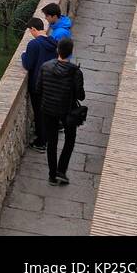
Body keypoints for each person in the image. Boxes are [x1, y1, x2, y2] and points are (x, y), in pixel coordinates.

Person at [36, 36, 85, 186]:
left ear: (57, 50)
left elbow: (38, 89)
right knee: (70, 139)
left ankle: (52, 176)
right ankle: (61, 171)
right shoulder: (76, 72)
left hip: (48, 109)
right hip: (67, 111)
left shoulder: (45, 66)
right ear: (71, 53)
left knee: (52, 142)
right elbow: (80, 96)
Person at [21, 17, 57, 150]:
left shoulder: (34, 44)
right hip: (51, 82)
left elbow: (28, 64)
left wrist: (23, 55)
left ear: (34, 29)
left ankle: (41, 142)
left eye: (30, 30)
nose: (31, 33)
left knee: (39, 113)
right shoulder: (53, 42)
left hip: (38, 84)